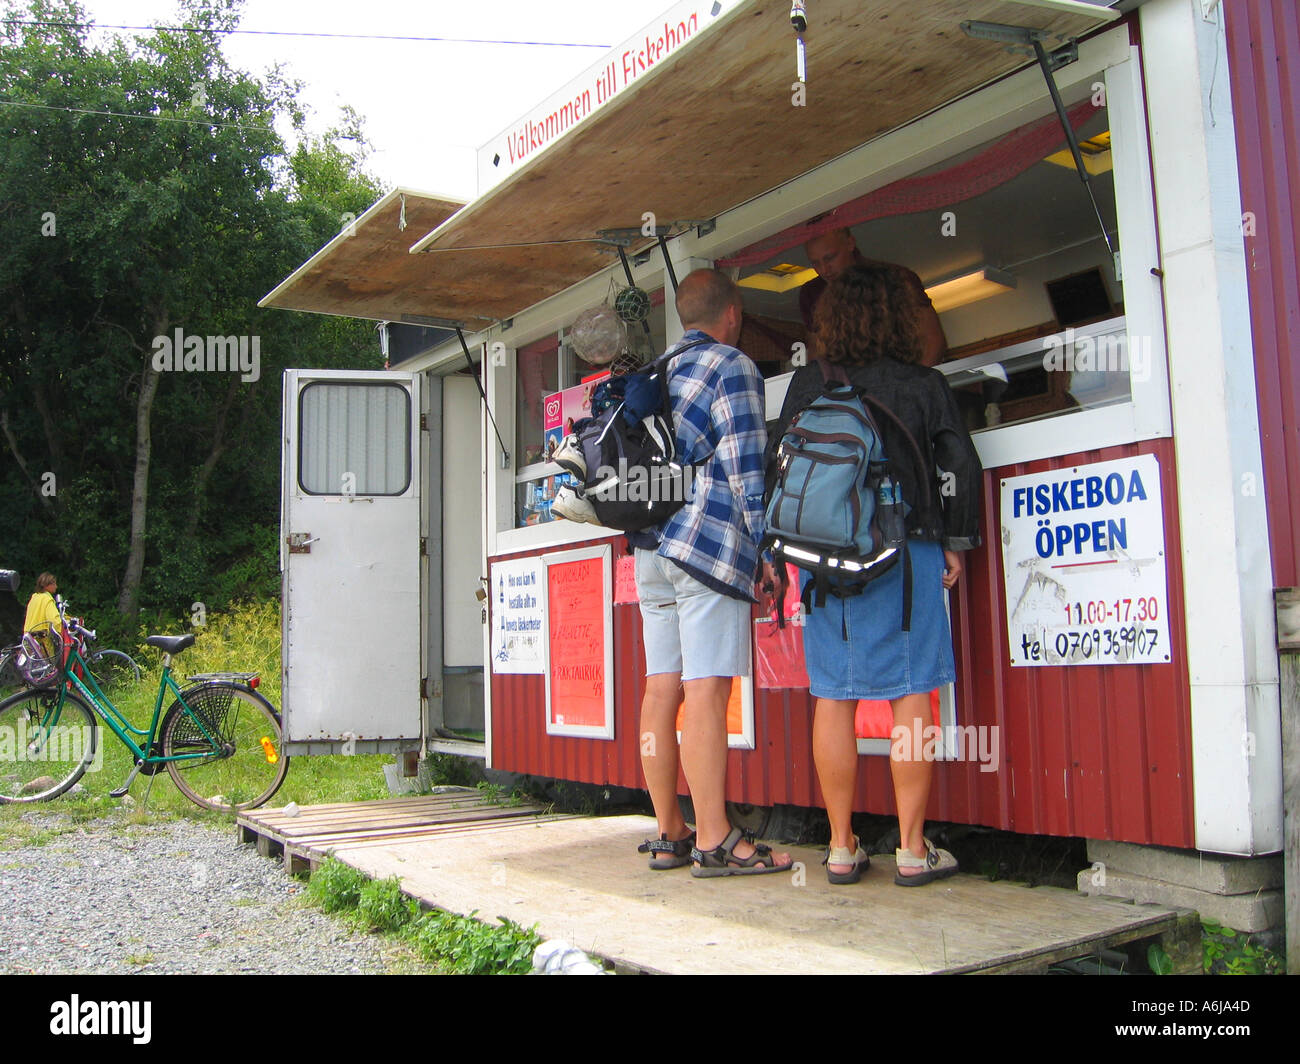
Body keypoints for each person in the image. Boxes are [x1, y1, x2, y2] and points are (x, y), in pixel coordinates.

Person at [772, 265, 981, 885]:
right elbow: (960, 466)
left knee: (833, 695)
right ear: (898, 316)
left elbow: (776, 468)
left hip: (825, 561)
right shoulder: (922, 382)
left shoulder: (809, 383)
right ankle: (913, 852)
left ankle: (840, 847)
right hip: (907, 553)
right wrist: (957, 541)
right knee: (912, 691)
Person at [633, 268, 791, 877]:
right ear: (734, 313)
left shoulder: (658, 371)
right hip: (705, 548)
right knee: (707, 688)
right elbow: (748, 469)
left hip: (650, 550)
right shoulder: (733, 366)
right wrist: (767, 550)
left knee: (660, 687)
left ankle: (672, 829)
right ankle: (717, 839)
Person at [799, 227, 949, 368]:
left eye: (830, 257)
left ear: (850, 243)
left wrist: (912, 386)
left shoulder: (895, 278)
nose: (824, 269)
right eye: (815, 263)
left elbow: (933, 340)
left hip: (900, 375)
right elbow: (816, 352)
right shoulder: (811, 293)